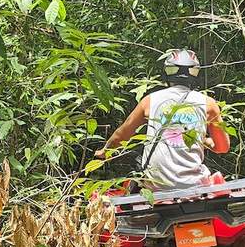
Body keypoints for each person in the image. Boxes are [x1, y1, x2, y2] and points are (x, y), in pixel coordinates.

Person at [96, 48, 230, 189]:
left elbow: (121, 135)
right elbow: (222, 147)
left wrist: (104, 151)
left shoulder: (150, 100)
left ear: (168, 71)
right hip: (195, 186)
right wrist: (202, 140)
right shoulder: (208, 103)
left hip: (156, 187)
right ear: (195, 73)